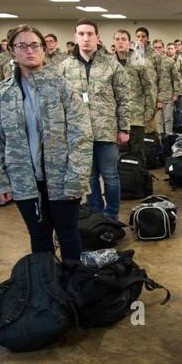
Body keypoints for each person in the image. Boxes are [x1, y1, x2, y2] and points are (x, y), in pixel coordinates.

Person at [0, 24, 92, 265]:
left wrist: (76, 179)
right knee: (39, 237)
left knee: (69, 234)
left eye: (35, 45)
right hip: (23, 179)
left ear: (43, 49)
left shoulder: (63, 87)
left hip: (63, 177)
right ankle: (46, 288)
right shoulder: (3, 92)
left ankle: (74, 286)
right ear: (12, 50)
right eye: (22, 45)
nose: (30, 50)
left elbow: (81, 136)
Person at [62, 19, 132, 221]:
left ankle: (111, 215)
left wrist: (124, 128)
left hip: (106, 130)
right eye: (81, 34)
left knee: (110, 176)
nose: (85, 38)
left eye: (90, 34)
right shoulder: (66, 67)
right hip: (79, 133)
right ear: (76, 37)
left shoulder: (111, 64)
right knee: (90, 177)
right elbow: (60, 101)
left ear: (97, 37)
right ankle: (96, 214)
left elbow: (124, 97)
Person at [111, 27, 152, 163]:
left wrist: (149, 111)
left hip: (136, 115)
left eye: (124, 39)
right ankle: (123, 181)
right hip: (114, 116)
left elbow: (148, 87)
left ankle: (139, 179)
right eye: (117, 39)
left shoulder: (138, 61)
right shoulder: (108, 63)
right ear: (114, 42)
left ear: (129, 42)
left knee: (137, 151)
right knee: (117, 155)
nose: (120, 42)